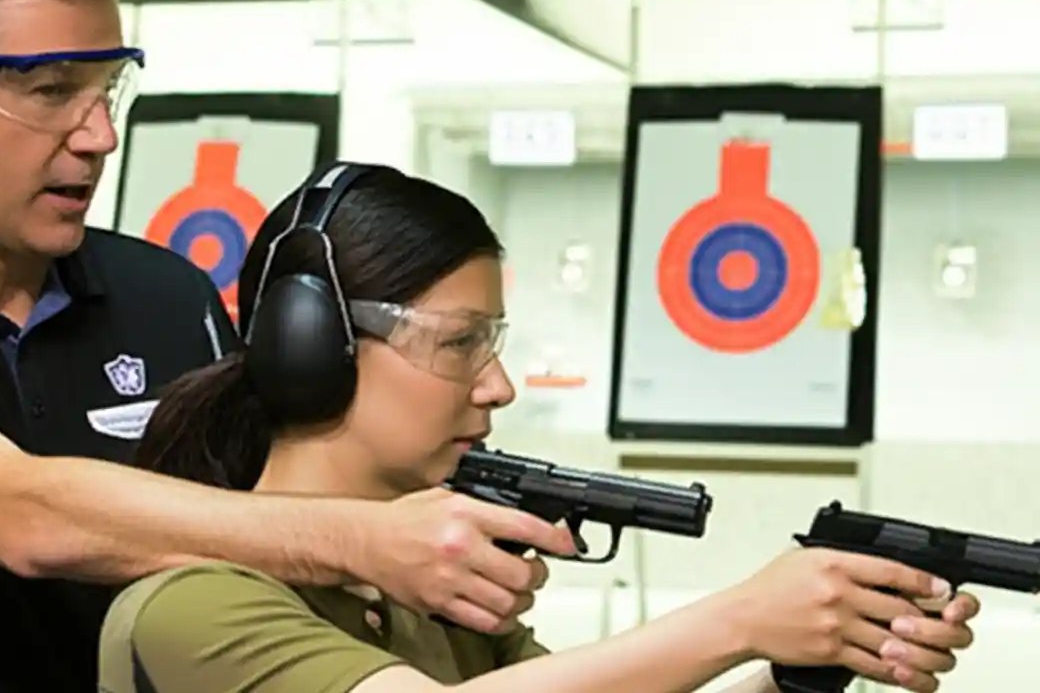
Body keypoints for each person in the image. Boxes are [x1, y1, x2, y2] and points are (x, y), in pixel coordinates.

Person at [0, 0, 575, 691]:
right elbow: (30, 517)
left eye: (108, 90)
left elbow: (263, 507)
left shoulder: (169, 296)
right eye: (50, 91)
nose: (98, 135)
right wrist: (366, 540)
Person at [99, 163, 982, 693]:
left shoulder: (430, 601)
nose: (500, 387)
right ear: (312, 345)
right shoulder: (192, 602)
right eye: (460, 345)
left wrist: (798, 666)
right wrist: (741, 618)